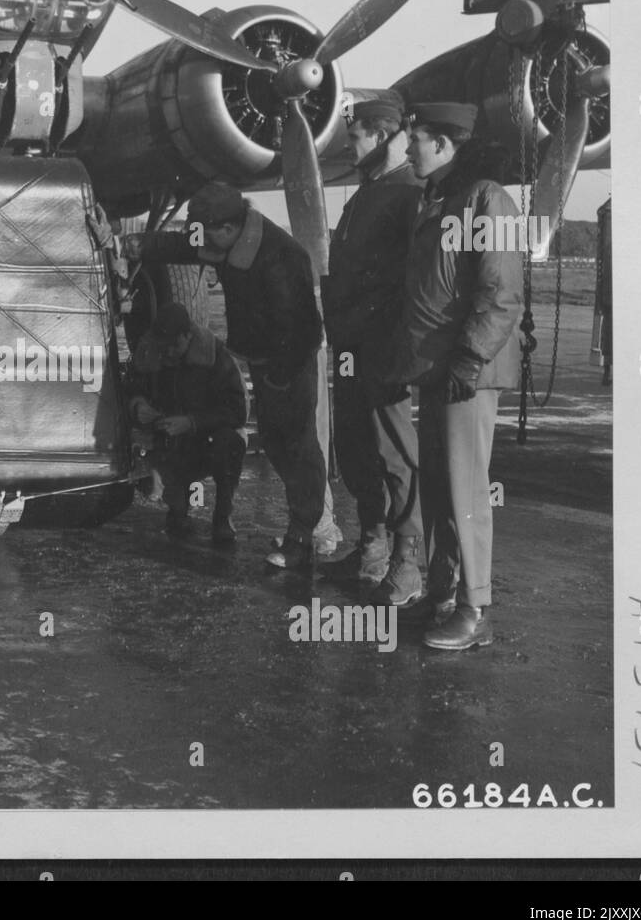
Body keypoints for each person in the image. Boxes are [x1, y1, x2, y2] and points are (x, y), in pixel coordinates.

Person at [124, 182, 325, 569]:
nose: (199, 239)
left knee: (297, 446)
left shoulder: (281, 258)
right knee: (279, 443)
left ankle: (303, 538)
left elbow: (302, 330)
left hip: (290, 364)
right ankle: (303, 529)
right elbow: (180, 247)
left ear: (228, 228)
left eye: (205, 231)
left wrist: (280, 378)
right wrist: (136, 245)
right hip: (267, 363)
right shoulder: (227, 238)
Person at [387, 101, 523, 650]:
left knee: (467, 490)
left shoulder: (487, 199)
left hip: (468, 369)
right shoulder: (439, 197)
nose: (408, 148)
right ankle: (443, 594)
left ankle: (475, 607)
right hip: (436, 369)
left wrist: (469, 358)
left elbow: (501, 291)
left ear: (445, 143)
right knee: (441, 489)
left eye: (416, 138)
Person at [321, 97, 425, 604]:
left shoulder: (408, 193)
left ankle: (407, 563)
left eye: (356, 135)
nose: (349, 144)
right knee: (357, 447)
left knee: (394, 454)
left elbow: (413, 281)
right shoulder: (366, 194)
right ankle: (371, 546)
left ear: (383, 136)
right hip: (349, 345)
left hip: (382, 347)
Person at [128, 302, 248, 546]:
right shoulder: (149, 352)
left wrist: (192, 422)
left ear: (189, 335)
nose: (170, 353)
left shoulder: (215, 356)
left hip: (207, 439)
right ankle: (177, 507)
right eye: (165, 347)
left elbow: (238, 411)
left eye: (176, 345)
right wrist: (138, 407)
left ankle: (223, 515)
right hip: (167, 442)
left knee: (230, 442)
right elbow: (130, 389)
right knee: (176, 519)